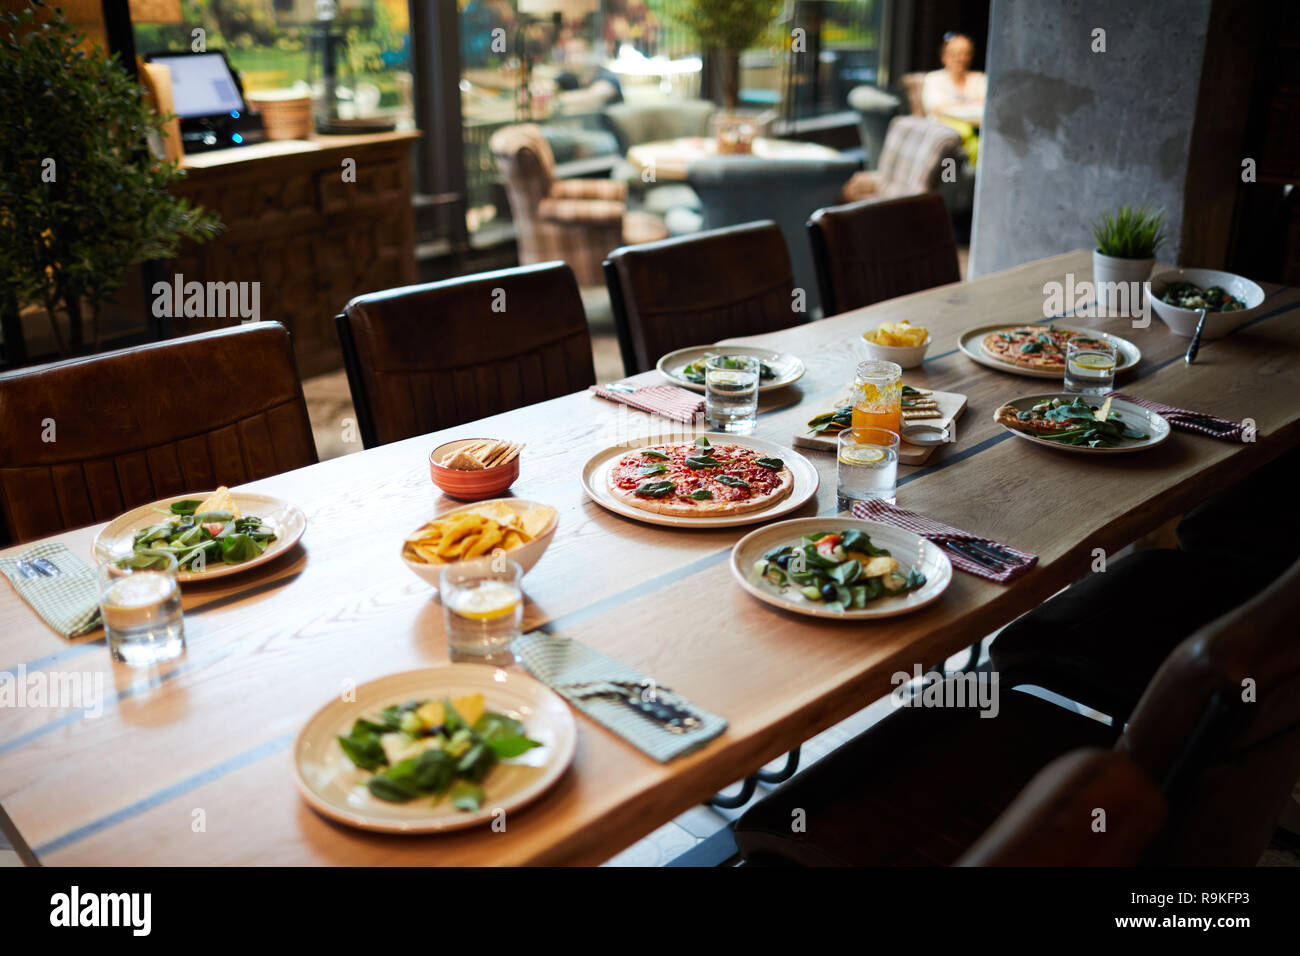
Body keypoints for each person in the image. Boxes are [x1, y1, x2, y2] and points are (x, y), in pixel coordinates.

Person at [921, 32, 984, 164]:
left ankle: (973, 182)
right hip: (944, 143)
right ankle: (952, 181)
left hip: (979, 136)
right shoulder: (934, 79)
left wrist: (952, 107)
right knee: (950, 172)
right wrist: (973, 106)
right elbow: (937, 108)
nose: (959, 58)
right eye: (954, 53)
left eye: (965, 53)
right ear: (944, 56)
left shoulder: (979, 79)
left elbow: (987, 110)